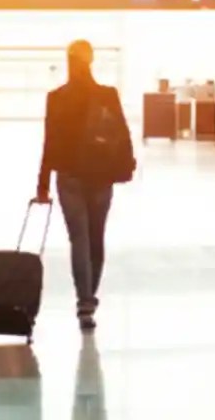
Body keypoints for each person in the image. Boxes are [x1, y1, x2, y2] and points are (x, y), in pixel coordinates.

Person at [36, 40, 134, 331]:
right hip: (101, 175)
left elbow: (50, 142)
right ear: (91, 60)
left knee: (79, 239)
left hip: (69, 177)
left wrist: (42, 184)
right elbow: (122, 132)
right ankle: (90, 299)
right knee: (96, 237)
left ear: (68, 61)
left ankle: (84, 303)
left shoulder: (57, 97)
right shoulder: (107, 95)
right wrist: (126, 165)